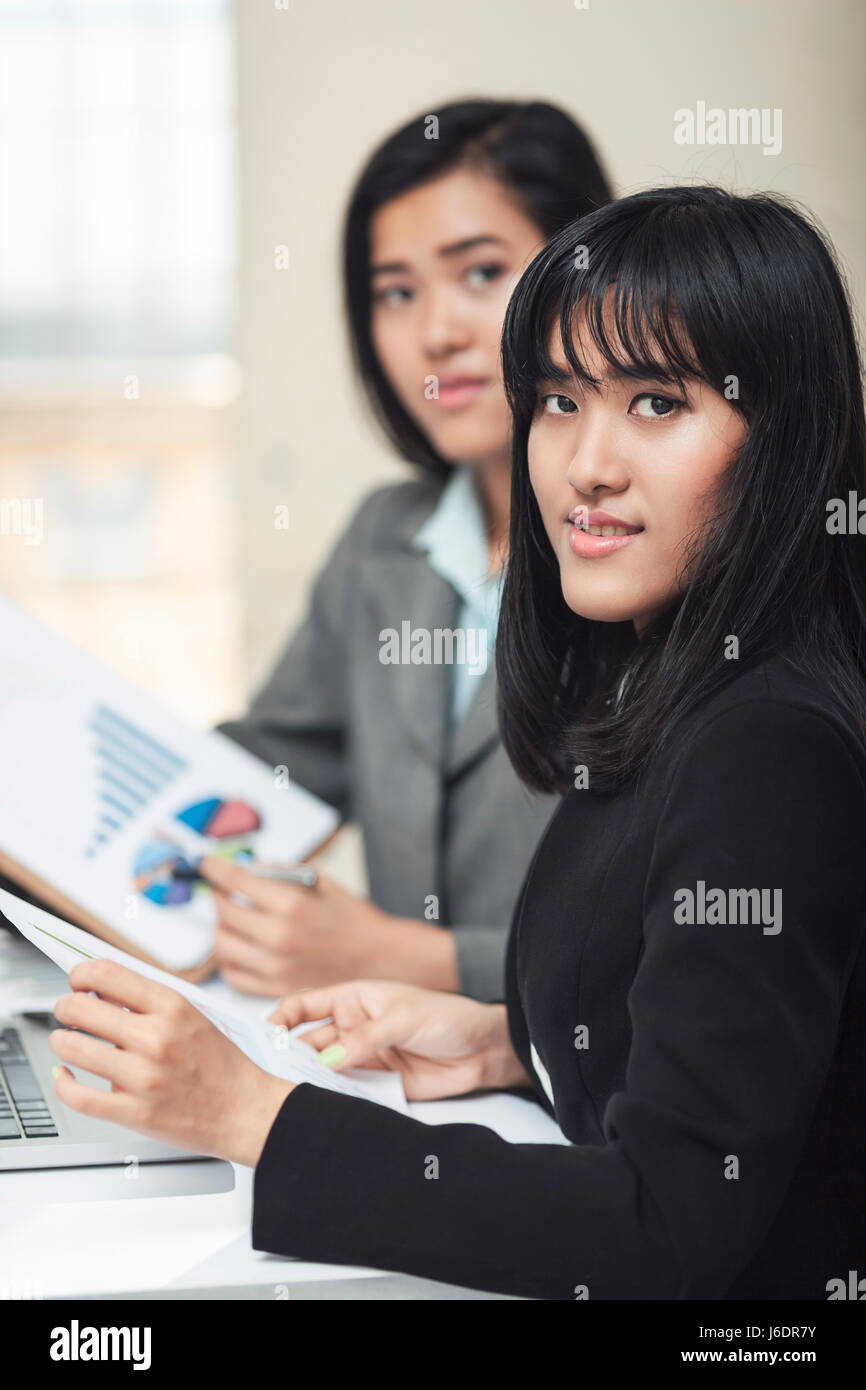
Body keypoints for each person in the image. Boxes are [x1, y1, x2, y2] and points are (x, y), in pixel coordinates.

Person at [48, 186, 866, 1299]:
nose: (585, 465)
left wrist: (255, 1114)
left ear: (785, 440)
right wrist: (506, 1043)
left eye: (657, 403)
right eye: (560, 401)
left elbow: (668, 1229)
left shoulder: (768, 747)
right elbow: (718, 1056)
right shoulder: (658, 671)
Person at [208, 99, 611, 1002]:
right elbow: (271, 769)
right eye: (396, 290)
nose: (437, 332)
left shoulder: (657, 553)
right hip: (395, 1098)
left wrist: (406, 961)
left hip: (585, 1120)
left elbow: (685, 945)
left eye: (480, 271)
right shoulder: (384, 538)